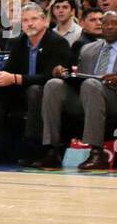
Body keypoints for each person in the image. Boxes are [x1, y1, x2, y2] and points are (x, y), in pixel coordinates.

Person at [0, 2, 72, 166]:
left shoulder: (58, 43)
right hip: (22, 88)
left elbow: (49, 77)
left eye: (34, 19)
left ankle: (34, 148)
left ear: (44, 21)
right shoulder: (19, 42)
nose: (29, 23)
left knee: (35, 91)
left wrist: (15, 79)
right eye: (25, 20)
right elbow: (9, 69)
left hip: (49, 92)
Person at [37, 11, 117, 171]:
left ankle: (97, 153)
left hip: (113, 99)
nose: (108, 26)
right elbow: (79, 77)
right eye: (105, 23)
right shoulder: (87, 49)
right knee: (54, 85)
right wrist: (63, 73)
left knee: (91, 84)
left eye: (114, 23)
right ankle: (52, 150)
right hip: (88, 96)